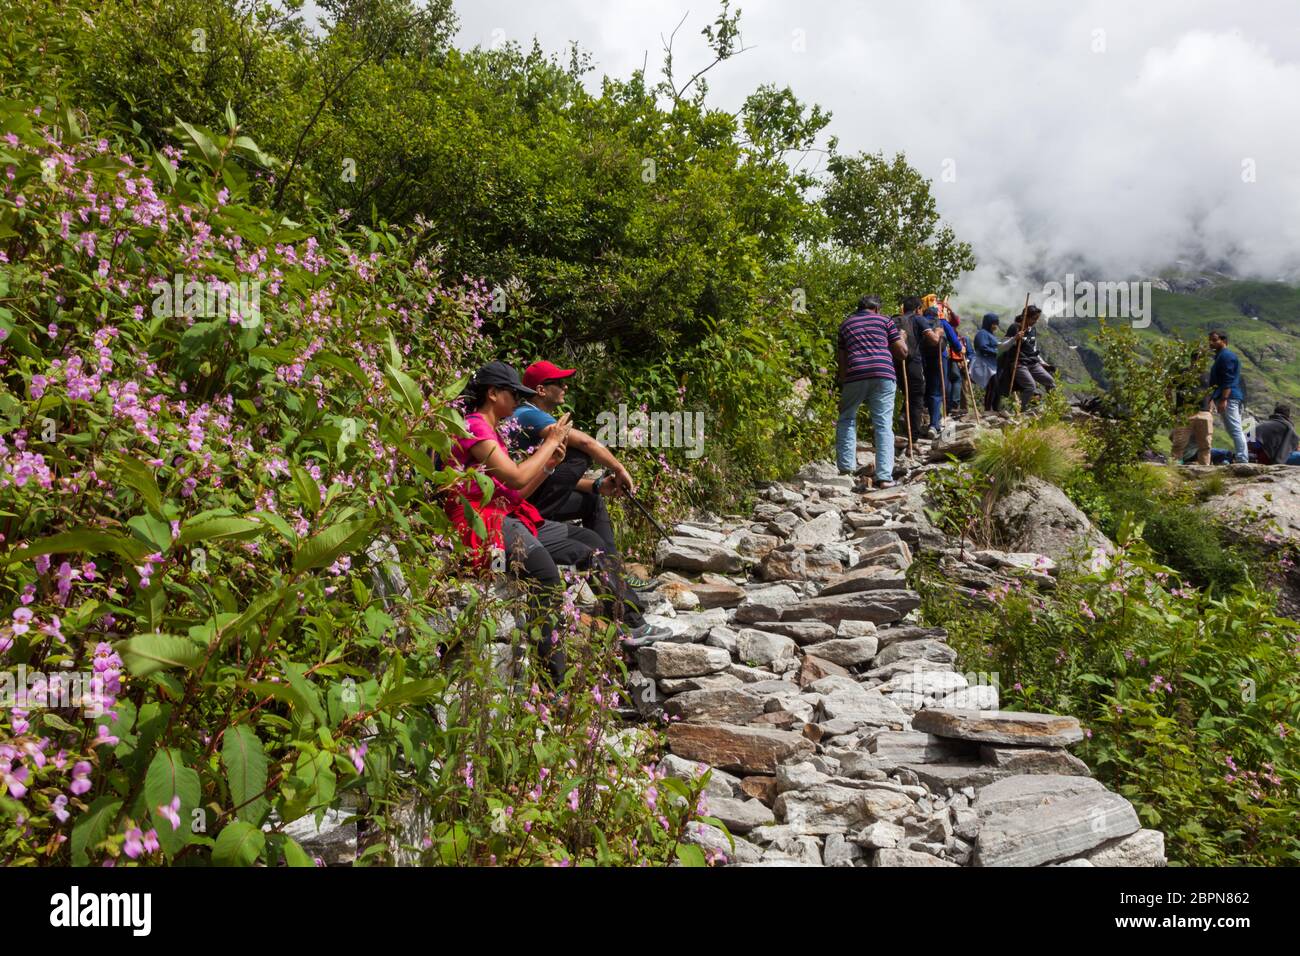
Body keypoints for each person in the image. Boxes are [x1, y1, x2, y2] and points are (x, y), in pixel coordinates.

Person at [509, 359, 669, 640]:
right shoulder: (528, 414)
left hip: (529, 495)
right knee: (579, 455)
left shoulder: (530, 415)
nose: (565, 386)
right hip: (524, 506)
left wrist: (595, 485)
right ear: (541, 390)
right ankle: (627, 615)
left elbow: (550, 473)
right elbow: (586, 443)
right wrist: (619, 469)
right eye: (559, 383)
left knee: (592, 501)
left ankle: (616, 576)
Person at [836, 294, 908, 488]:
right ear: (876, 308)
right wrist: (902, 337)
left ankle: (845, 469)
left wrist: (845, 381)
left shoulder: (845, 325)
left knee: (846, 418)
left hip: (855, 373)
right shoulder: (886, 321)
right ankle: (884, 477)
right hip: (883, 374)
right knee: (883, 424)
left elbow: (841, 359)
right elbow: (902, 353)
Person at [998, 305, 1055, 411]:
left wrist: (1043, 362)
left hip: (1032, 362)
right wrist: (1015, 338)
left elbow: (1033, 349)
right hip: (1019, 362)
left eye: (1037, 319)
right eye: (1034, 319)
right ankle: (1023, 410)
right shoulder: (1014, 328)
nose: (1036, 321)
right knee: (1030, 386)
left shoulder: (1033, 330)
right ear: (1026, 317)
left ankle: (1054, 406)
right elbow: (1002, 347)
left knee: (1050, 381)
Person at [1207, 331, 1248, 464]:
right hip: (1227, 396)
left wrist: (1224, 399)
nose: (1211, 343)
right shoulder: (1220, 356)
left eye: (1214, 340)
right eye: (1210, 340)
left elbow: (1228, 379)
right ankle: (1241, 457)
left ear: (1224, 341)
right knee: (1232, 429)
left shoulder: (1226, 356)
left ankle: (1242, 459)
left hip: (1229, 397)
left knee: (1235, 429)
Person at [893, 297, 928, 445]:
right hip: (913, 362)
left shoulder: (895, 320)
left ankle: (902, 416)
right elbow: (933, 340)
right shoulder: (919, 319)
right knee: (917, 397)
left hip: (896, 363)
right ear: (917, 309)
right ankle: (913, 437)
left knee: (906, 393)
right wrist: (939, 333)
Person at [911, 305, 947, 437]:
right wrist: (961, 349)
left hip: (920, 361)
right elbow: (953, 340)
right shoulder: (941, 322)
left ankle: (915, 425)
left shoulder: (917, 321)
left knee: (922, 391)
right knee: (936, 393)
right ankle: (934, 424)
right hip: (938, 360)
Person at [1169, 358, 1213, 466]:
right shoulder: (1182, 373)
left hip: (1204, 412)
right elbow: (1168, 388)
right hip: (1185, 412)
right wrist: (1171, 406)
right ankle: (1175, 470)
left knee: (1205, 445)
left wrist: (1210, 407)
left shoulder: (1209, 375)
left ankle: (1205, 469)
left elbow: (1214, 392)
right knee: (1178, 444)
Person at [970, 313, 1000, 399]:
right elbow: (983, 347)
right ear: (988, 323)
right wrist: (996, 352)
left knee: (995, 386)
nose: (995, 326)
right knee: (992, 386)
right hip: (985, 363)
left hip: (992, 364)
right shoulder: (982, 333)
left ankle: (993, 408)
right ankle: (988, 409)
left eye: (996, 324)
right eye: (994, 323)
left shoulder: (991, 335)